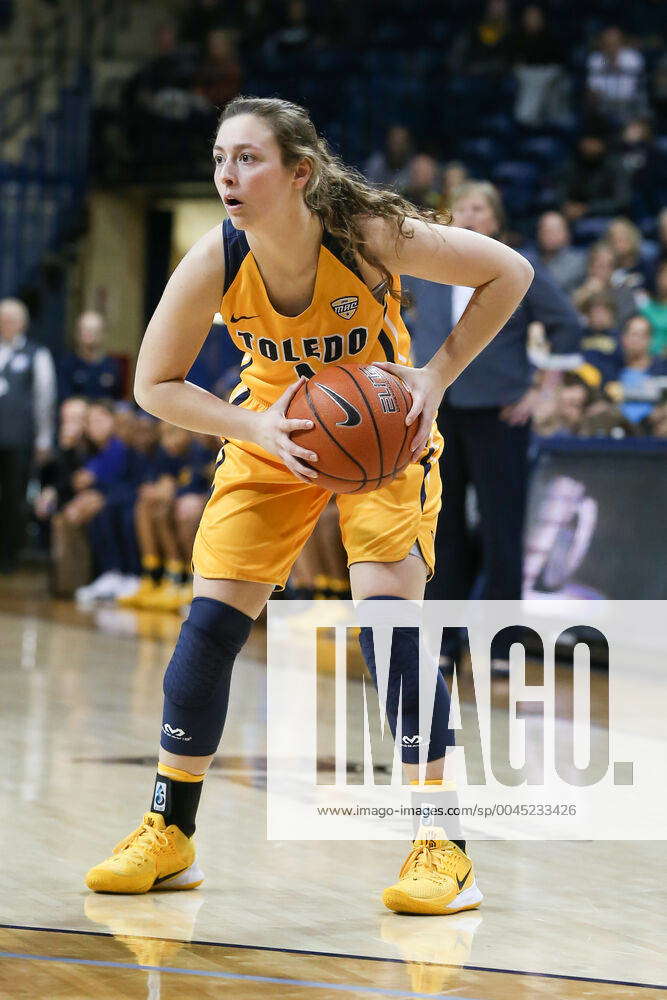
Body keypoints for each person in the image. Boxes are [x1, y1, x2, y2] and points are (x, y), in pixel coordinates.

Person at [83, 96, 533, 912]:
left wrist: (434, 376)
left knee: (390, 628)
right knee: (211, 623)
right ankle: (168, 832)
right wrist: (252, 424)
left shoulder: (362, 231)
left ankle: (443, 847)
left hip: (380, 435)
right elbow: (153, 384)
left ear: (300, 171)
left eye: (248, 158)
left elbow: (510, 271)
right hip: (269, 431)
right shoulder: (215, 257)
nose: (227, 173)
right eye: (220, 158)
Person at [404, 181, 580, 672]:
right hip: (441, 411)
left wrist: (543, 390)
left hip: (500, 413)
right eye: (459, 207)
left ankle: (503, 644)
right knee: (441, 527)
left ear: (496, 218)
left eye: (478, 208)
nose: (467, 215)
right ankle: (443, 640)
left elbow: (566, 322)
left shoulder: (516, 265)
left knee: (503, 526)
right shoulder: (429, 271)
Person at [0, 298, 57, 573]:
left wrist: (44, 439)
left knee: (13, 497)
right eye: (2, 318)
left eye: (10, 319)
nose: (5, 324)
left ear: (22, 323)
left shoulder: (37, 354)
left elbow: (44, 399)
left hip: (18, 439)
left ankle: (9, 556)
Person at [59, 311, 123, 401]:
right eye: (85, 329)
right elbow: (64, 401)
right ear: (77, 333)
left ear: (104, 334)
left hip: (105, 412)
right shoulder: (67, 364)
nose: (89, 334)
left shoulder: (113, 366)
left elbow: (119, 401)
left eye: (95, 330)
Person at [532, 211, 586, 294]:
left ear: (566, 233)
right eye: (545, 230)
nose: (549, 235)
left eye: (554, 230)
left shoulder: (578, 261)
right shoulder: (532, 260)